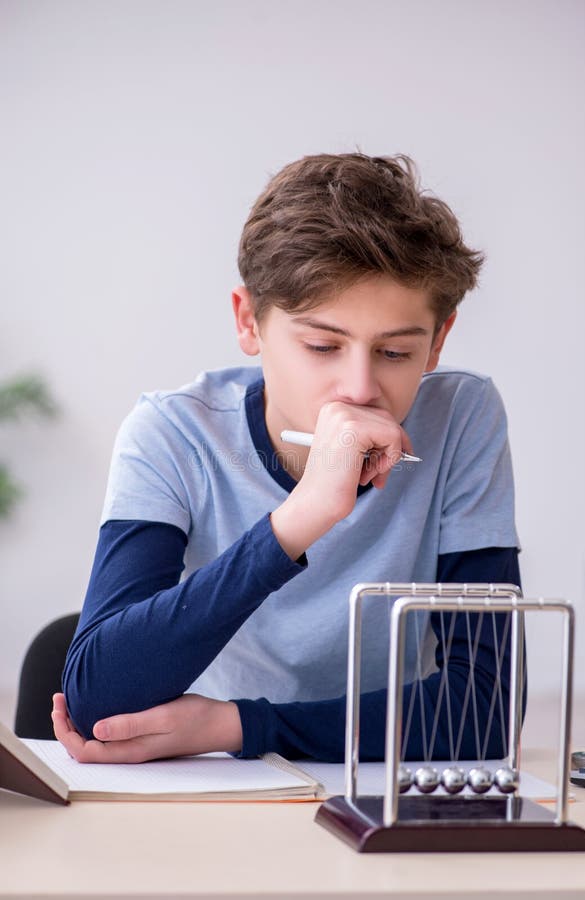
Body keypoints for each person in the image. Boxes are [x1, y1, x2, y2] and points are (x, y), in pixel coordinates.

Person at [52, 153, 521, 765]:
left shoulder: (461, 416)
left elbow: (483, 710)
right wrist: (301, 517)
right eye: (323, 345)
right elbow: (97, 702)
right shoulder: (171, 434)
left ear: (439, 341)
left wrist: (242, 728)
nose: (358, 388)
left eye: (396, 353)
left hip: (367, 785)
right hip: (210, 791)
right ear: (249, 322)